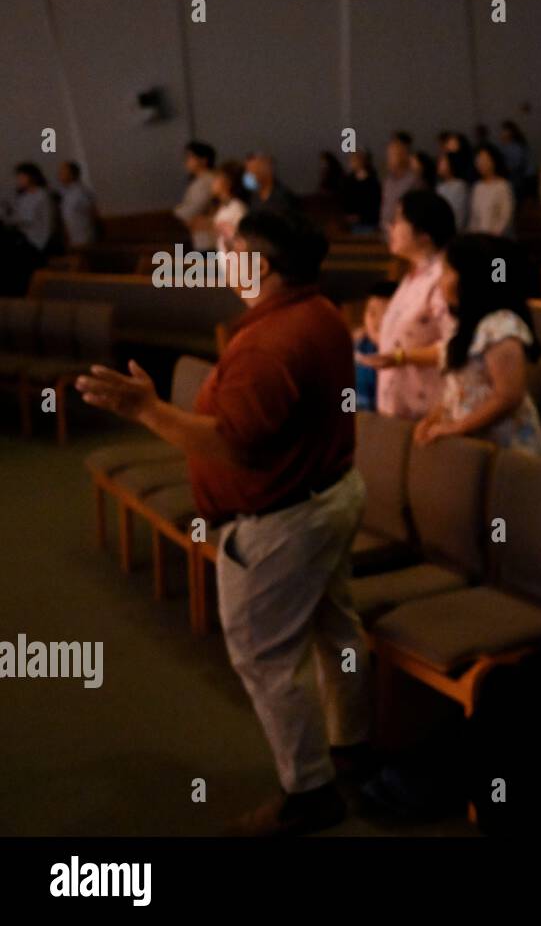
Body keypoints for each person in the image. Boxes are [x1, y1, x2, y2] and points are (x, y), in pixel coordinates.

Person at [76, 210, 371, 836]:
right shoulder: (317, 311)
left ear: (261, 265)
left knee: (265, 658)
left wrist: (147, 411)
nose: (221, 256)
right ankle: (353, 744)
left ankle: (311, 791)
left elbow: (235, 446)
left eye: (232, 248)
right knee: (334, 625)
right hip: (332, 496)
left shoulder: (269, 342)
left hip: (282, 521)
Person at [412, 234, 541, 454]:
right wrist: (433, 419)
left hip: (505, 451)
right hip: (475, 444)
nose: (439, 281)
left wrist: (457, 428)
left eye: (446, 272)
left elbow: (509, 396)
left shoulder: (501, 326)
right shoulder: (468, 324)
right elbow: (459, 389)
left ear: (471, 277)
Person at [357, 189, 457, 419]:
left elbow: (455, 346)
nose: (390, 226)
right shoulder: (414, 275)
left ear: (424, 234)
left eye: (399, 220)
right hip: (400, 406)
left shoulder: (443, 279)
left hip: (428, 411)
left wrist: (400, 357)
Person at [3, 163, 57, 254]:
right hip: (25, 236)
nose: (19, 181)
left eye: (21, 178)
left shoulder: (42, 195)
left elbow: (27, 218)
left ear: (31, 177)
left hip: (37, 240)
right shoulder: (24, 197)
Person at [175, 140, 217, 250]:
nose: (186, 161)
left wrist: (177, 212)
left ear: (203, 160)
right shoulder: (199, 181)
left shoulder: (206, 181)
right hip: (200, 237)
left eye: (190, 157)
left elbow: (193, 209)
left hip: (208, 238)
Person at [467, 144, 515, 237]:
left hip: (497, 239)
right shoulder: (477, 187)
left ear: (494, 161)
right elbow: (473, 218)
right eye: (478, 160)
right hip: (478, 240)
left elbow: (506, 217)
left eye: (485, 159)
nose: (481, 163)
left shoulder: (503, 186)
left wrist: (492, 238)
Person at [353, 292, 390, 413]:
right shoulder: (358, 347)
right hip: (359, 418)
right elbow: (346, 389)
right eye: (371, 312)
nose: (376, 319)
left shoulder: (404, 352)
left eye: (385, 311)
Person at [380, 131, 421, 230]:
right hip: (386, 233)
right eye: (388, 155)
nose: (389, 159)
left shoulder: (414, 180)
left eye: (392, 155)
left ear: (404, 155)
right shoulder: (388, 181)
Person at [54, 161, 98, 248]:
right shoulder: (64, 192)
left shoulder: (81, 192)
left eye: (63, 172)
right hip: (71, 236)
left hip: (84, 235)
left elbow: (92, 212)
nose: (59, 175)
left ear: (71, 174)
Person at [209, 161, 249, 254]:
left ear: (228, 182)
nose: (213, 182)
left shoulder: (237, 207)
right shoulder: (223, 207)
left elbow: (241, 238)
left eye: (216, 178)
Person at [434, 147, 473, 231]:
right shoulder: (440, 187)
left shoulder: (460, 186)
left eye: (442, 162)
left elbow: (459, 214)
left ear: (451, 164)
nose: (439, 164)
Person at [341, 150, 381, 232]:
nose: (352, 163)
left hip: (368, 222)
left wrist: (360, 216)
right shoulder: (348, 181)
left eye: (354, 160)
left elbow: (374, 203)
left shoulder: (372, 181)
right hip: (351, 222)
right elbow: (345, 199)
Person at [498, 121, 530, 194]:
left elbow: (516, 165)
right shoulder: (504, 146)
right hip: (509, 181)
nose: (501, 133)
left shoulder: (515, 147)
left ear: (509, 132)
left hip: (515, 182)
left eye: (503, 131)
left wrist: (503, 168)